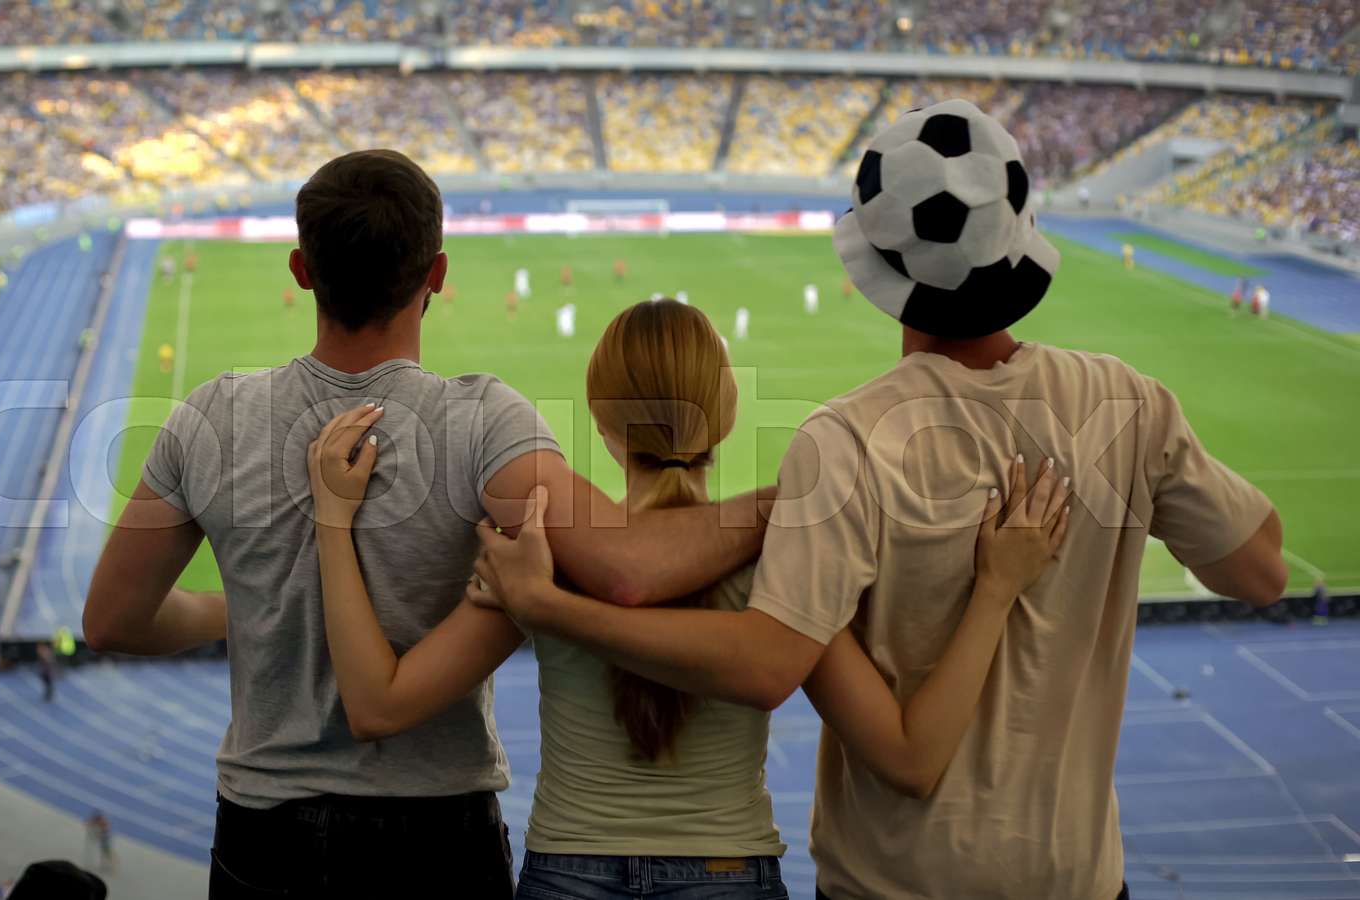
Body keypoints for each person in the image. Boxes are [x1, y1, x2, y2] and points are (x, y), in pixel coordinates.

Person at [470, 101, 1287, 900]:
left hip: (889, 879)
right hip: (1077, 878)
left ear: (877, 269)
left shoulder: (847, 444)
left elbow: (770, 665)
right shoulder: (1130, 404)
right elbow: (1261, 572)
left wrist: (550, 603)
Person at [83, 150, 771, 900]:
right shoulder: (484, 422)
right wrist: (782, 499)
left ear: (301, 270)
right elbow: (627, 568)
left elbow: (113, 620)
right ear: (436, 274)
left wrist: (244, 609)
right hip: (436, 829)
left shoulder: (208, 419)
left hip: (263, 826)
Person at [309, 300, 1067, 900]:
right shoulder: (784, 563)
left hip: (568, 873)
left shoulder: (535, 558)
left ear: (602, 426)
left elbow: (379, 704)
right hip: (729, 875)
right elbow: (911, 756)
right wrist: (996, 589)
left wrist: (334, 524)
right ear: (726, 415)